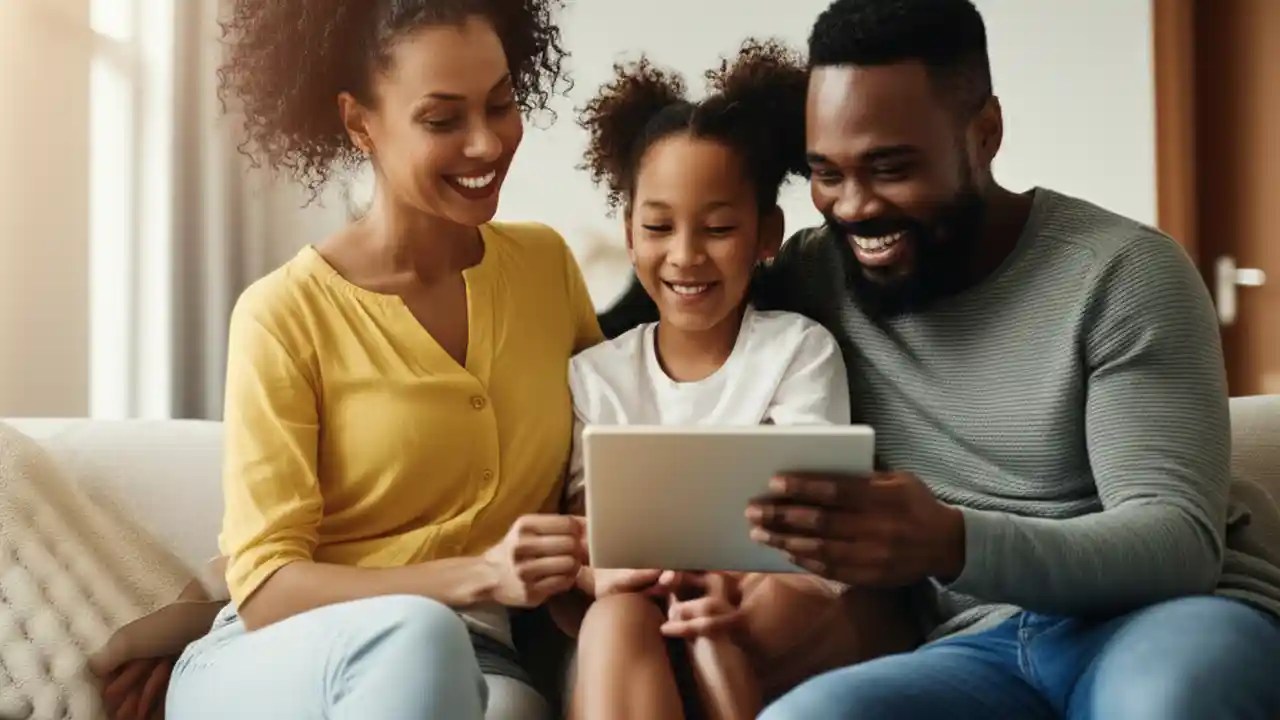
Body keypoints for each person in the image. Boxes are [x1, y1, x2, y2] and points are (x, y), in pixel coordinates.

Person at [708, 0, 1280, 718]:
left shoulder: (1120, 274)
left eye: (889, 168)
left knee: (1164, 703)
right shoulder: (814, 275)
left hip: (1164, 622)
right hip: (976, 651)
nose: (852, 206)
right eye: (827, 172)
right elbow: (654, 309)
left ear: (984, 134)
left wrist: (951, 540)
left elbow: (1178, 542)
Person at [162, 2, 601, 719]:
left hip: (481, 656)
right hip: (281, 657)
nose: (488, 144)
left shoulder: (545, 266)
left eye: (501, 104)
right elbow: (267, 585)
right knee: (419, 636)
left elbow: (602, 458)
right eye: (443, 119)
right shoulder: (284, 313)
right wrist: (483, 574)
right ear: (360, 122)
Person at [561, 41, 917, 720]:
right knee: (616, 615)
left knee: (767, 599)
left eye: (720, 228)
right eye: (659, 226)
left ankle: (718, 661)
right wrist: (601, 572)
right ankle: (707, 662)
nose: (686, 255)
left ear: (766, 235)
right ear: (630, 234)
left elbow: (817, 528)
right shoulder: (596, 374)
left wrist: (725, 585)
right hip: (643, 603)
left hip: (773, 596)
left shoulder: (797, 351)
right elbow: (584, 531)